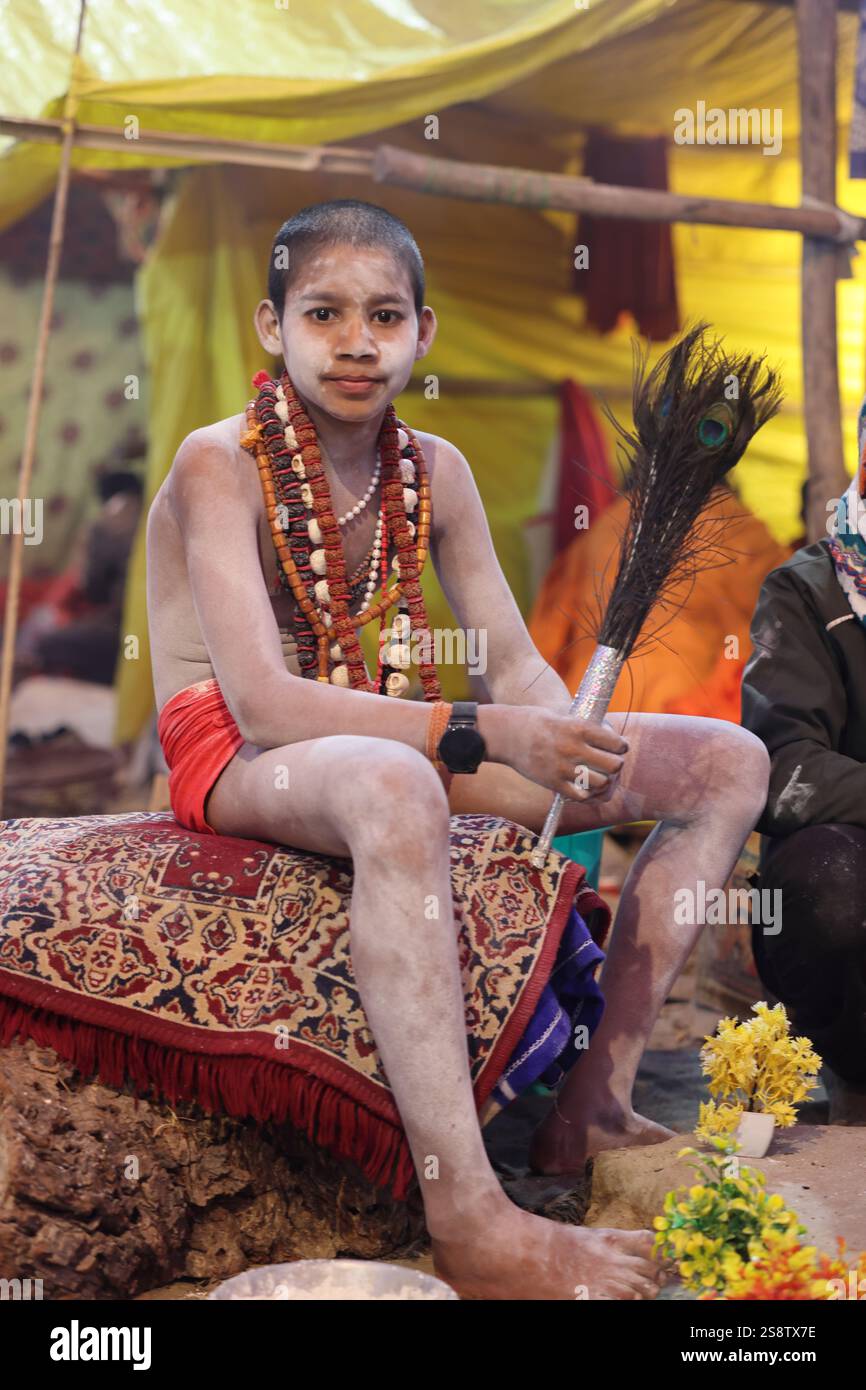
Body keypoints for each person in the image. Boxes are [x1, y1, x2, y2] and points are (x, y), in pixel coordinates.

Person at [146, 198, 770, 1300]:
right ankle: (466, 1211)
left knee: (728, 761)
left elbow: (516, 672)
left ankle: (594, 1102)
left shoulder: (437, 470)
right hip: (244, 746)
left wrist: (566, 728)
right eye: (324, 312)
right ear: (269, 325)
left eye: (383, 315)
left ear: (422, 335)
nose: (354, 341)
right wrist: (491, 732)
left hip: (395, 721)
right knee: (394, 783)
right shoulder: (218, 463)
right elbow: (264, 701)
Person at [741, 406, 866, 1125]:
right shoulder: (807, 592)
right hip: (849, 848)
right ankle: (857, 1074)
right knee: (832, 888)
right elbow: (787, 774)